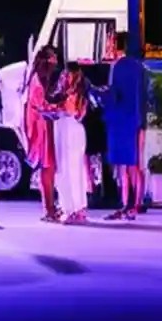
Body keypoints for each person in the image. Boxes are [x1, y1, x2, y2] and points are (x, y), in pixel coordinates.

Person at [101, 32, 149, 220]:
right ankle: (135, 204)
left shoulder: (117, 67)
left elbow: (114, 96)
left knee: (124, 166)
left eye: (109, 43)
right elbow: (144, 96)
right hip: (137, 120)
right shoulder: (139, 67)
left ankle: (126, 204)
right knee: (134, 164)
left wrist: (100, 95)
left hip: (121, 121)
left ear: (115, 45)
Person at [23, 46, 61, 223]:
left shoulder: (41, 79)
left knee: (49, 169)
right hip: (42, 129)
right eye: (53, 58)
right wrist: (57, 108)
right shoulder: (38, 80)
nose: (56, 61)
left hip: (45, 126)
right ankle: (49, 209)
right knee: (47, 168)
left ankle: (50, 207)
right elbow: (41, 106)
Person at [52, 61, 91, 224]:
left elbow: (76, 112)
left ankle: (78, 208)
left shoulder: (79, 93)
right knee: (63, 169)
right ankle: (67, 206)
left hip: (73, 130)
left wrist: (61, 107)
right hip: (62, 128)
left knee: (74, 169)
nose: (64, 77)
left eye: (67, 74)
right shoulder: (63, 91)